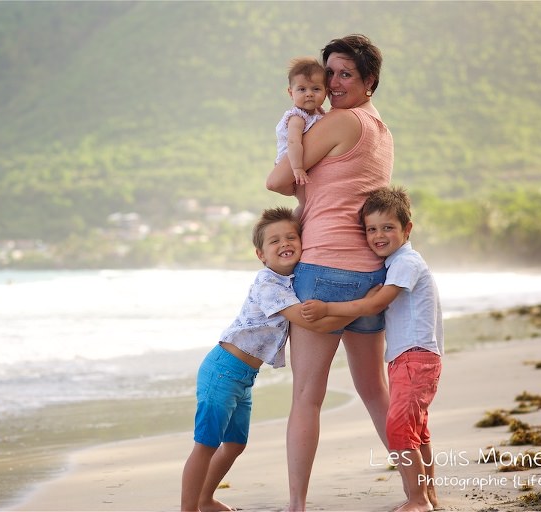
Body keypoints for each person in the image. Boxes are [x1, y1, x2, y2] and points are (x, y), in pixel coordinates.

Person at [266, 34, 394, 511]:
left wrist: (295, 136)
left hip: (322, 269)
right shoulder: (381, 129)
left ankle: (297, 505)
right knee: (375, 390)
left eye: (346, 75)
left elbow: (278, 181)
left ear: (369, 82)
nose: (333, 84)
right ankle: (419, 494)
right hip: (369, 275)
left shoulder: (338, 121)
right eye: (329, 74)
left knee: (307, 397)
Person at [180, 206, 358, 512]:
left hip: (243, 378)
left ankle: (206, 499)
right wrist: (362, 307)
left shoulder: (293, 282)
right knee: (206, 444)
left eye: (291, 237)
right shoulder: (267, 285)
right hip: (222, 370)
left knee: (235, 444)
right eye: (274, 241)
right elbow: (306, 320)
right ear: (261, 254)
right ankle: (188, 509)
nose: (285, 243)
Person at [301, 186, 443, 512]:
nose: (378, 235)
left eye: (388, 227)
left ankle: (419, 500)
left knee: (398, 428)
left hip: (415, 356)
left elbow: (375, 305)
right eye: (371, 229)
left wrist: (327, 309)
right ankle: (427, 494)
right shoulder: (397, 262)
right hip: (409, 357)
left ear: (407, 229)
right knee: (416, 429)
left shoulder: (406, 262)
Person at [274, 57, 327, 214]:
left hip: (304, 163)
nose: (309, 94)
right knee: (305, 203)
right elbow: (293, 142)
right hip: (291, 161)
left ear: (326, 91)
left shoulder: (320, 113)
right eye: (302, 89)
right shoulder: (297, 117)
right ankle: (298, 227)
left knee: (312, 199)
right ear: (291, 93)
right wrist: (297, 168)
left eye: (316, 89)